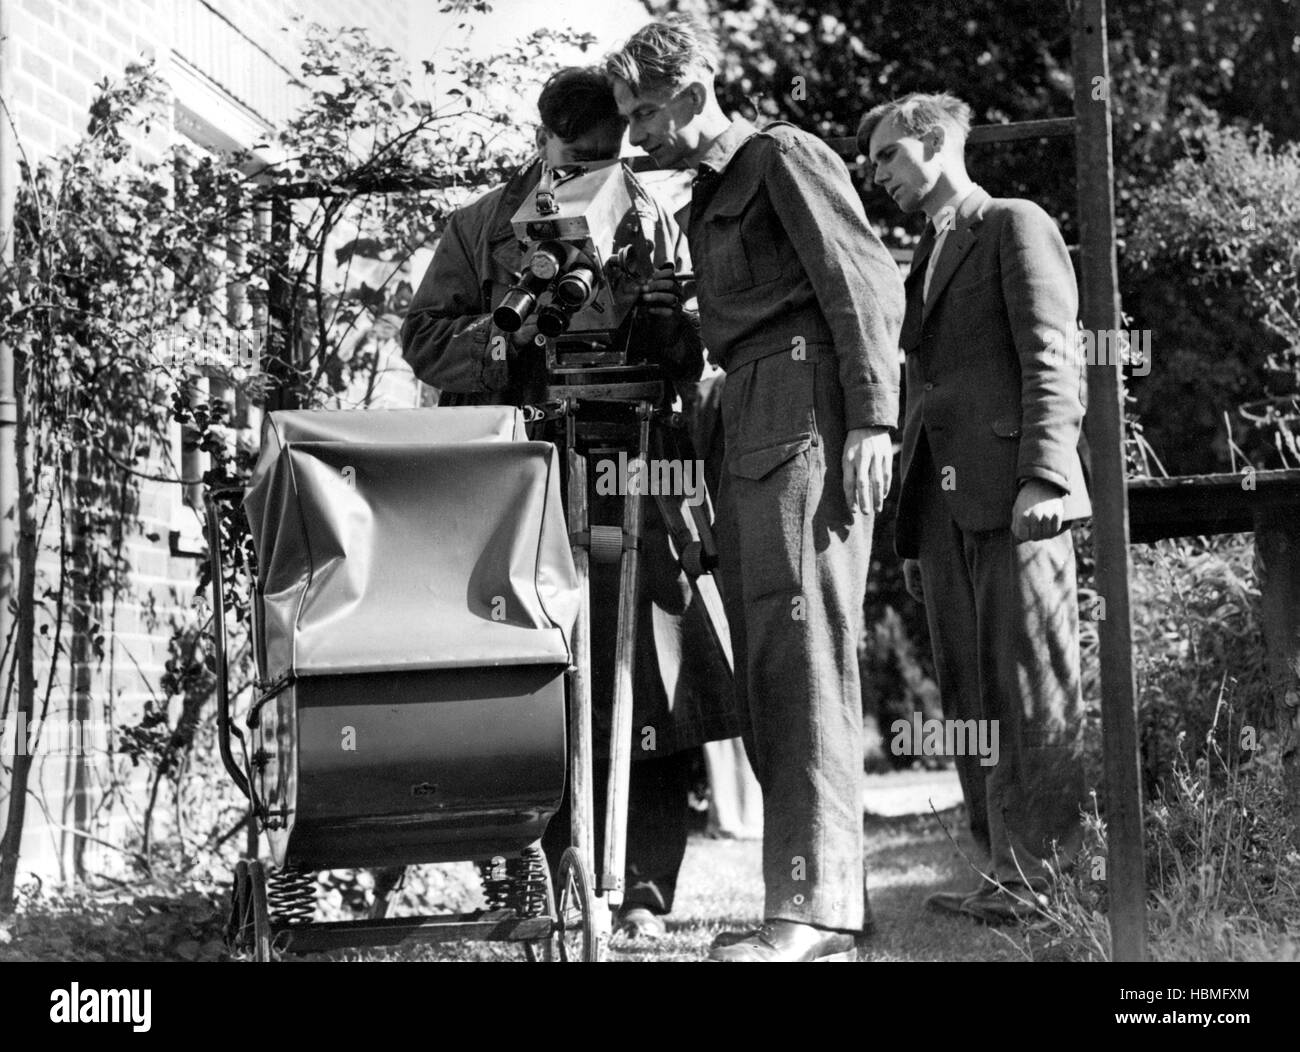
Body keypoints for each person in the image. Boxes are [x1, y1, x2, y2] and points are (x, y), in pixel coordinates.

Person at [401, 66, 738, 940]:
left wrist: (671, 322)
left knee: (652, 681)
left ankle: (644, 894)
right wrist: (511, 334)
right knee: (541, 679)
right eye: (582, 153)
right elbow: (424, 340)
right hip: (530, 477)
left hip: (637, 469)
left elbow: (688, 360)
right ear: (545, 137)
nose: (600, 166)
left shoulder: (654, 217)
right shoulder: (481, 228)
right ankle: (553, 885)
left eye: (614, 152)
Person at [606, 16, 904, 962]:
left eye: (647, 113)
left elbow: (864, 285)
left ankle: (812, 914)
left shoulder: (784, 156)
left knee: (802, 654)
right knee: (770, 669)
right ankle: (815, 902)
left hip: (802, 411)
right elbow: (735, 323)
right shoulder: (705, 195)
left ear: (695, 94)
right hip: (747, 416)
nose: (637, 137)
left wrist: (873, 421)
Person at [860, 92, 1090, 924]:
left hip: (1017, 495)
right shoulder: (924, 250)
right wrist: (914, 534)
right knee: (970, 702)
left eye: (887, 154)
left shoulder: (1012, 222)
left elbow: (1055, 357)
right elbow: (924, 393)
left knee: (1033, 687)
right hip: (942, 509)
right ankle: (1003, 869)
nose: (875, 173)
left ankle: (1052, 878)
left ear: (934, 141)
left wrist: (1047, 478)